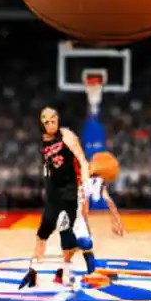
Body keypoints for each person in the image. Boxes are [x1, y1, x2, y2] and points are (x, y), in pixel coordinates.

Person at [19, 107, 91, 289]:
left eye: (53, 120)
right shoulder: (42, 140)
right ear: (42, 123)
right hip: (53, 194)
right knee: (43, 232)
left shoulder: (66, 135)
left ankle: (63, 270)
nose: (50, 124)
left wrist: (85, 185)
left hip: (69, 193)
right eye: (46, 121)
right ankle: (33, 270)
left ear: (58, 119)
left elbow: (82, 160)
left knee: (66, 234)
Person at [55, 155, 125, 288]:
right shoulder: (78, 182)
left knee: (76, 248)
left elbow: (87, 204)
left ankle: (77, 274)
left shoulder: (87, 181)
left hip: (70, 217)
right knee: (81, 245)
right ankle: (73, 275)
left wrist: (116, 221)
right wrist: (116, 221)